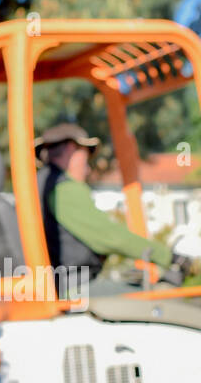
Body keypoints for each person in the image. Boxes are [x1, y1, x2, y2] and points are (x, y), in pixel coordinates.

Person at [34, 122, 191, 294]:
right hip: (71, 289)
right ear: (72, 150)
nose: (88, 170)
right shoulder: (62, 188)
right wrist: (169, 257)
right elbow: (110, 237)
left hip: (62, 285)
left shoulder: (41, 184)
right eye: (86, 157)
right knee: (157, 299)